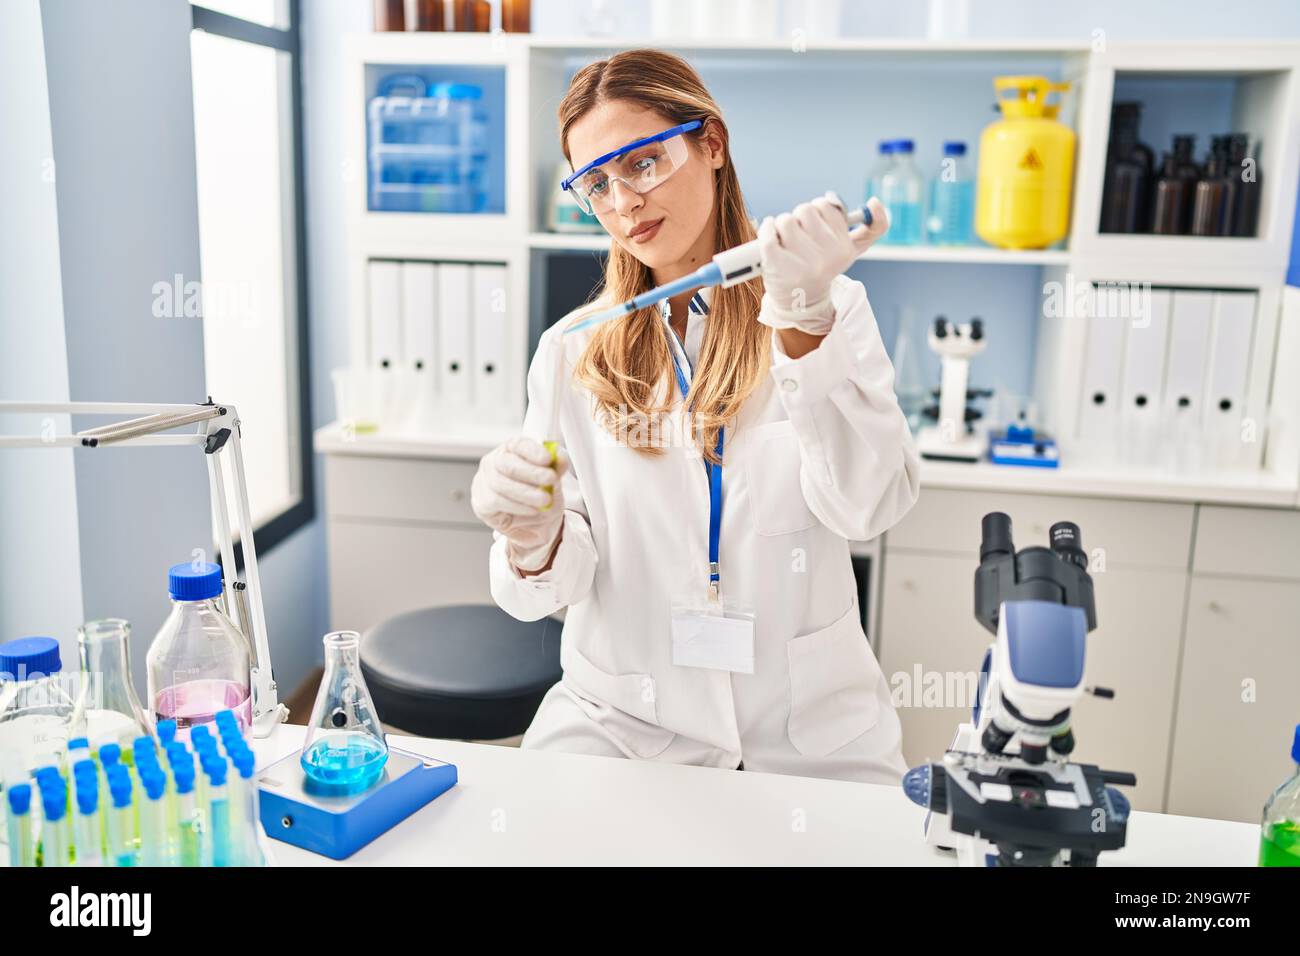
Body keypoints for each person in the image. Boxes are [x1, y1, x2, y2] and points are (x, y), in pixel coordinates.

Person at [471, 49, 920, 783]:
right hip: (624, 724)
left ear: (710, 144)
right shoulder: (571, 351)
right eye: (598, 185)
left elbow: (869, 506)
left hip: (810, 738)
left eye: (643, 163)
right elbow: (549, 592)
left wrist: (802, 322)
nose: (623, 205)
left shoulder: (829, 311)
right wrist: (533, 537)